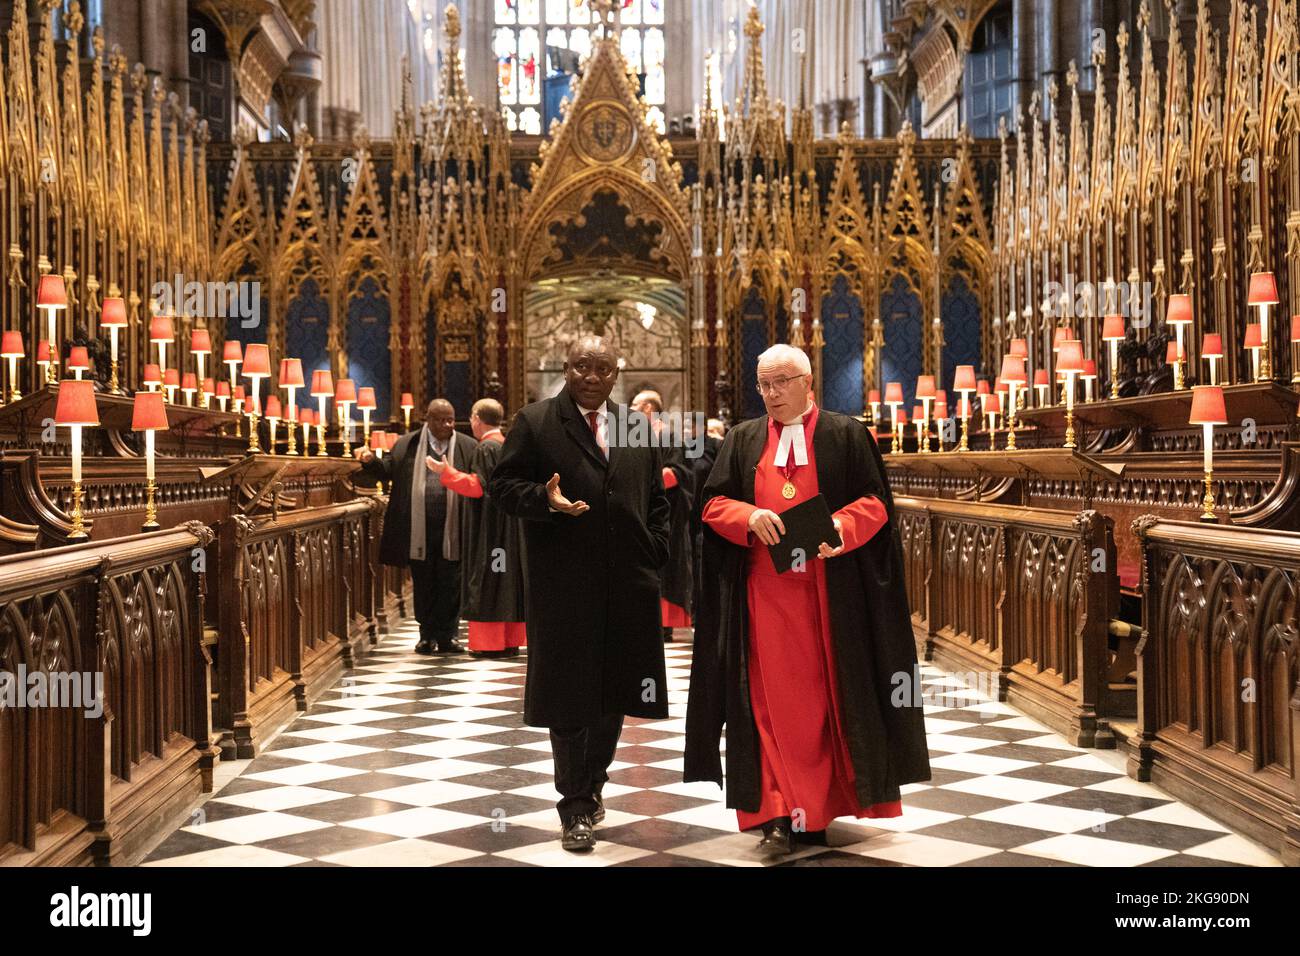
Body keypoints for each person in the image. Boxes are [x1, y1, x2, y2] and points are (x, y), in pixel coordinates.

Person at [684, 344, 931, 856]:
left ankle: (815, 810)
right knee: (765, 706)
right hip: (763, 598)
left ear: (807, 382)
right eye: (764, 385)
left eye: (782, 383)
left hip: (830, 597)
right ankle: (775, 813)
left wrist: (841, 526)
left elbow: (875, 502)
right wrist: (748, 516)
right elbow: (711, 503)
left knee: (825, 704)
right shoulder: (742, 438)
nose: (772, 394)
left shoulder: (846, 434)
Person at [490, 336, 670, 853]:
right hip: (563, 585)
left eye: (603, 368)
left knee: (615, 694)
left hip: (628, 582)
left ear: (616, 375)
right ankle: (573, 807)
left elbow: (655, 500)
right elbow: (503, 487)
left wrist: (654, 549)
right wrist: (545, 501)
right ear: (566, 369)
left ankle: (593, 784)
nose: (592, 376)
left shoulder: (636, 426)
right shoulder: (536, 422)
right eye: (582, 367)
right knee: (569, 697)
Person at [356, 398, 478, 654]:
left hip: (454, 528)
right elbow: (387, 471)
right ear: (428, 420)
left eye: (451, 419)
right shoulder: (407, 444)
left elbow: (477, 482)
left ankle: (448, 636)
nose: (447, 425)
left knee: (451, 584)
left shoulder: (467, 446)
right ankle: (427, 635)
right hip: (418, 528)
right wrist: (369, 460)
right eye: (441, 420)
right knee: (423, 584)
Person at [428, 398, 527, 658]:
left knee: (489, 580)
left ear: (476, 418)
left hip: (491, 531)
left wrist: (446, 473)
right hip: (509, 529)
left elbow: (477, 486)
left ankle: (490, 644)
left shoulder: (485, 448)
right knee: (505, 581)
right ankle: (509, 641)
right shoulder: (507, 444)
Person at [630, 388, 693, 641]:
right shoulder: (634, 437)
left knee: (666, 565)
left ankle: (664, 621)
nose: (630, 410)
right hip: (640, 511)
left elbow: (678, 473)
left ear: (648, 409)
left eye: (635, 405)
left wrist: (642, 483)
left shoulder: (668, 436)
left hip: (666, 513)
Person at [689, 418, 724, 626]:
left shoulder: (715, 446)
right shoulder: (683, 447)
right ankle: (692, 611)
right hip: (687, 513)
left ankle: (705, 614)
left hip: (709, 512)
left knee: (704, 559)